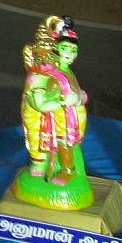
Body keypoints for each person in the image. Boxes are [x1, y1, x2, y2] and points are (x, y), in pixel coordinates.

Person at [21, 16, 88, 187]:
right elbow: (40, 105)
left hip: (68, 118)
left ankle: (67, 169)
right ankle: (43, 162)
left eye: (73, 50)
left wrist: (79, 97)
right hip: (54, 114)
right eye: (65, 49)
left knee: (65, 142)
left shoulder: (62, 72)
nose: (46, 61)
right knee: (47, 139)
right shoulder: (38, 78)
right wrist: (65, 102)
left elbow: (76, 92)